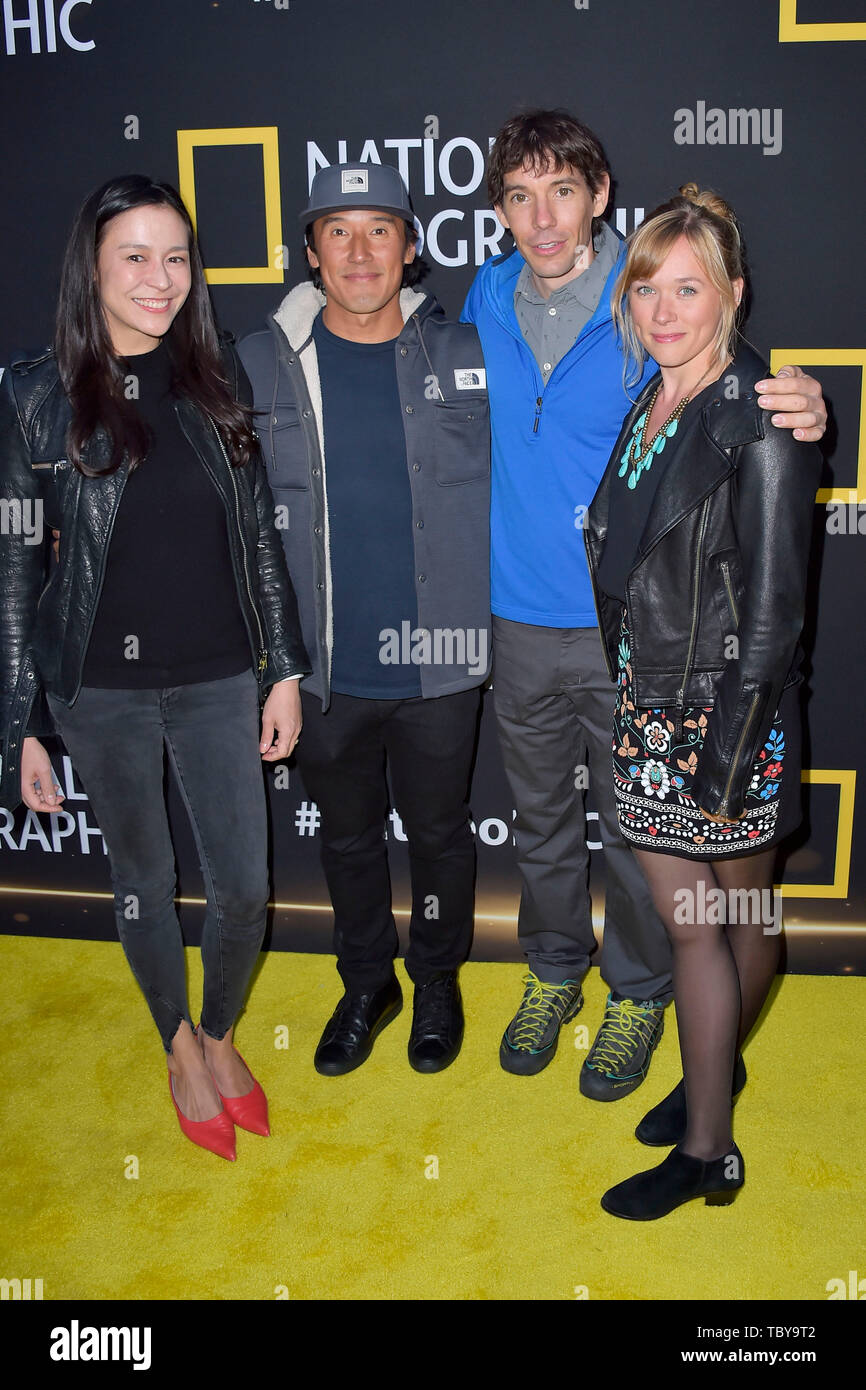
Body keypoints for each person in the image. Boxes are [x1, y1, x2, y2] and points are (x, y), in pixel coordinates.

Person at [462, 109, 827, 1094]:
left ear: (599, 195)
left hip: (637, 641)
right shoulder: (484, 294)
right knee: (539, 824)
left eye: (561, 191)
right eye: (517, 195)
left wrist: (805, 402)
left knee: (640, 847)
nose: (540, 217)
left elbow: (734, 387)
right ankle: (551, 973)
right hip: (515, 617)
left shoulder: (645, 288)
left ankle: (637, 994)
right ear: (498, 211)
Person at [0, 175, 310, 1160]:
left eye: (175, 256)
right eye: (134, 255)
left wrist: (285, 669)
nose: (160, 277)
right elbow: (14, 571)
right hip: (100, 692)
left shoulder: (215, 382)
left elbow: (262, 539)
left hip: (221, 674)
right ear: (90, 268)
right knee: (141, 879)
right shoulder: (32, 395)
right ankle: (176, 1047)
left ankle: (217, 1035)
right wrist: (24, 726)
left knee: (243, 890)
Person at [584, 184, 821, 1217]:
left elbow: (771, 620)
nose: (663, 308)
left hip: (729, 722)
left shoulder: (760, 420)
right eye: (645, 287)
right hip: (647, 710)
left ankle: (706, 1150)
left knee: (731, 917)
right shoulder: (651, 398)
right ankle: (712, 1073)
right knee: (700, 926)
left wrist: (721, 764)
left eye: (687, 287)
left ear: (732, 291)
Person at [239, 164, 490, 1076]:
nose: (359, 251)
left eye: (379, 229)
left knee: (438, 835)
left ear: (411, 247)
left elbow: (576, 411)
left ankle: (434, 980)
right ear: (310, 253)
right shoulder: (257, 363)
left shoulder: (470, 349)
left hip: (441, 660)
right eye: (337, 232)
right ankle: (365, 982)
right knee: (345, 840)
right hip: (323, 668)